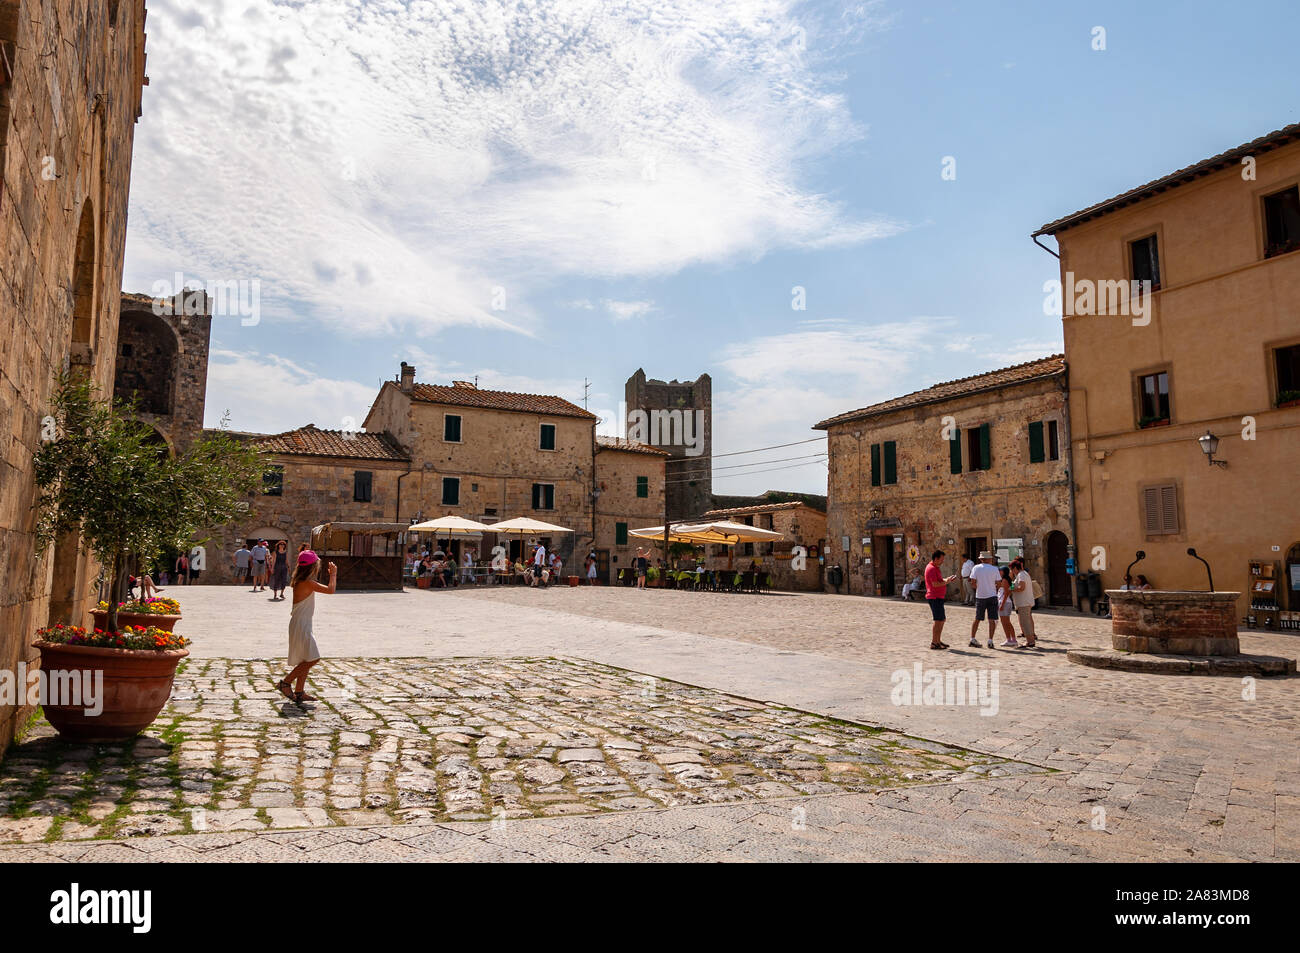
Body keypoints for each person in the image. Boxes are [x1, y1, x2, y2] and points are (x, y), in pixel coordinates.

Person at [275, 550, 336, 706]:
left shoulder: (301, 580)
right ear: (313, 566)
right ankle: (286, 683)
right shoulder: (308, 583)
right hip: (301, 625)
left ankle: (299, 692)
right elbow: (330, 590)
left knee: (305, 658)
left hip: (301, 623)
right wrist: (333, 574)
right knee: (313, 658)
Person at [925, 551, 958, 649]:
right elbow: (935, 584)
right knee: (938, 620)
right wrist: (946, 582)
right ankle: (934, 642)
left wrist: (947, 579)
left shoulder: (935, 568)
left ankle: (938, 640)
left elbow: (939, 581)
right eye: (941, 559)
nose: (942, 561)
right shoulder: (931, 569)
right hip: (934, 597)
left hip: (938, 597)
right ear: (936, 559)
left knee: (942, 619)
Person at [969, 551, 1001, 648]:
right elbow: (999, 583)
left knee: (977, 618)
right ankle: (990, 640)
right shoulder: (994, 569)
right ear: (988, 559)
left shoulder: (976, 568)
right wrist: (994, 589)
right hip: (992, 595)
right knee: (992, 619)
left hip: (980, 596)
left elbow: (973, 583)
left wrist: (979, 588)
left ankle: (972, 638)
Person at [1010, 558, 1037, 648]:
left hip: (1024, 602)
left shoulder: (1022, 575)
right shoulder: (1022, 575)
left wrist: (1012, 589)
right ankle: (1029, 640)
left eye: (1012, 569)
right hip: (1023, 602)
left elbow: (1022, 587)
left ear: (1015, 568)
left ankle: (1030, 641)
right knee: (1025, 622)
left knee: (1025, 623)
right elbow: (1015, 584)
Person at [996, 566, 1019, 646]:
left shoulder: (1005, 580)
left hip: (1004, 602)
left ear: (1003, 572)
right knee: (1007, 622)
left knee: (1005, 623)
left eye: (1000, 571)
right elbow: (1010, 590)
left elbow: (1006, 593)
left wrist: (1002, 604)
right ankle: (1013, 639)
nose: (999, 572)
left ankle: (1009, 639)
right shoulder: (1008, 580)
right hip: (1007, 602)